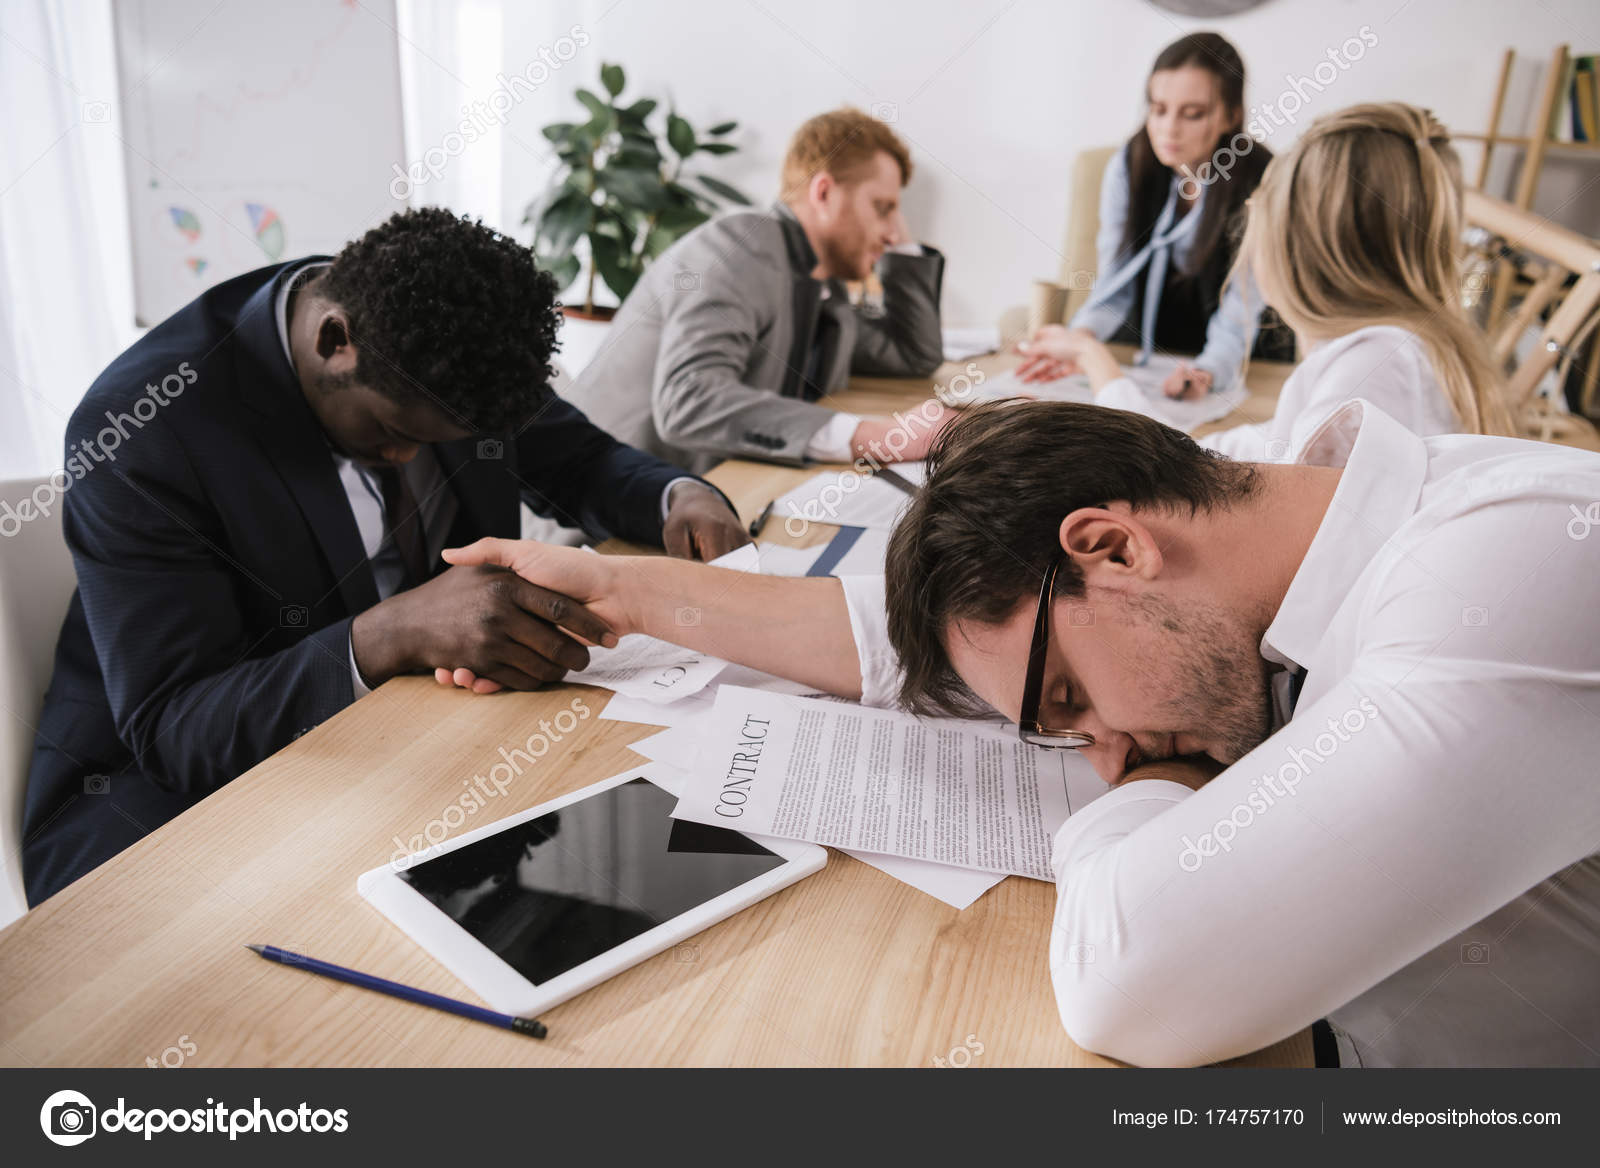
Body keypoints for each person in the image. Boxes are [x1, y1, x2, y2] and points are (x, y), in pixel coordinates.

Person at [434, 397, 1600, 1066]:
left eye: (1064, 708)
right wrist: (613, 590)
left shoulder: (1501, 578)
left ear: (1111, 545)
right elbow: (933, 651)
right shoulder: (1283, 515)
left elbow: (1135, 981)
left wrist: (1139, 788)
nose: (1095, 740)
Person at [22, 208, 747, 905]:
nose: (406, 458)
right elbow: (176, 727)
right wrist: (390, 633)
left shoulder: (457, 340)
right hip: (167, 812)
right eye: (395, 431)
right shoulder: (144, 430)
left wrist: (677, 495)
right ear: (336, 342)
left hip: (409, 743)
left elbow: (578, 459)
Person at [1017, 103, 1513, 456]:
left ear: (1302, 248)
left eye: (1260, 219)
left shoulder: (1370, 370)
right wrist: (1089, 363)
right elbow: (1197, 456)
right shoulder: (1394, 353)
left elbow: (1216, 487)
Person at [563, 106, 953, 475]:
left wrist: (902, 247)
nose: (891, 230)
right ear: (823, 193)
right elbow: (690, 400)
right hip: (598, 530)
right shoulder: (738, 250)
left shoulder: (823, 286)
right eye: (882, 207)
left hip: (708, 502)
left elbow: (912, 354)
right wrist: (871, 436)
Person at [1024, 32, 1275, 401]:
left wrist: (1206, 372)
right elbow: (1116, 280)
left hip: (1238, 357)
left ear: (1231, 116)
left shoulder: (1262, 179)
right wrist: (1082, 339)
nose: (1168, 128)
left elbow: (1244, 306)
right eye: (1157, 109)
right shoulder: (1130, 165)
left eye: (1193, 114)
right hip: (1149, 350)